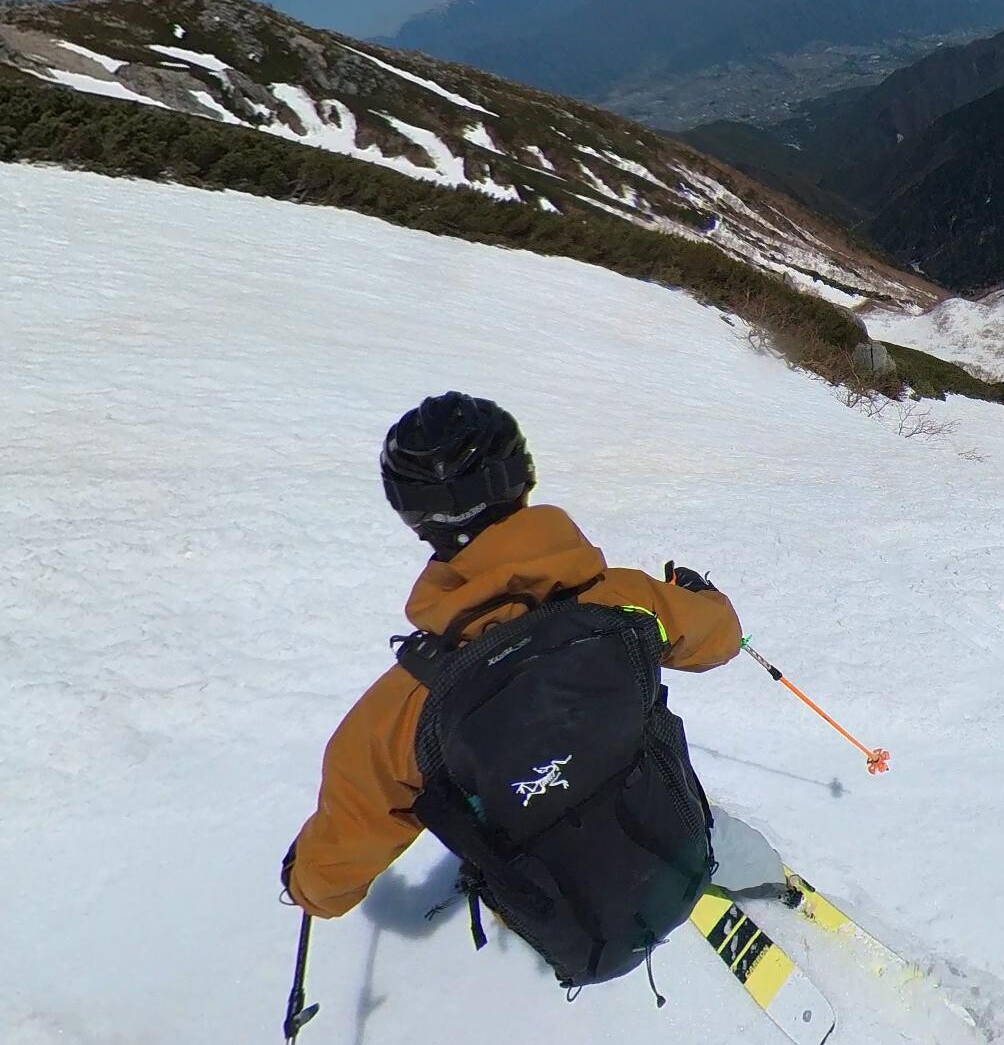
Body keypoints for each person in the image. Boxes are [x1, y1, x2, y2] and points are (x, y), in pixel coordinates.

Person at [283, 392, 787, 989]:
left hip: (568, 917)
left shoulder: (403, 710)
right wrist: (696, 594)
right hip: (673, 826)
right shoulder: (622, 601)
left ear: (414, 519)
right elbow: (720, 637)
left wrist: (303, 879)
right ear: (523, 477)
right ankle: (757, 873)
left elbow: (331, 880)